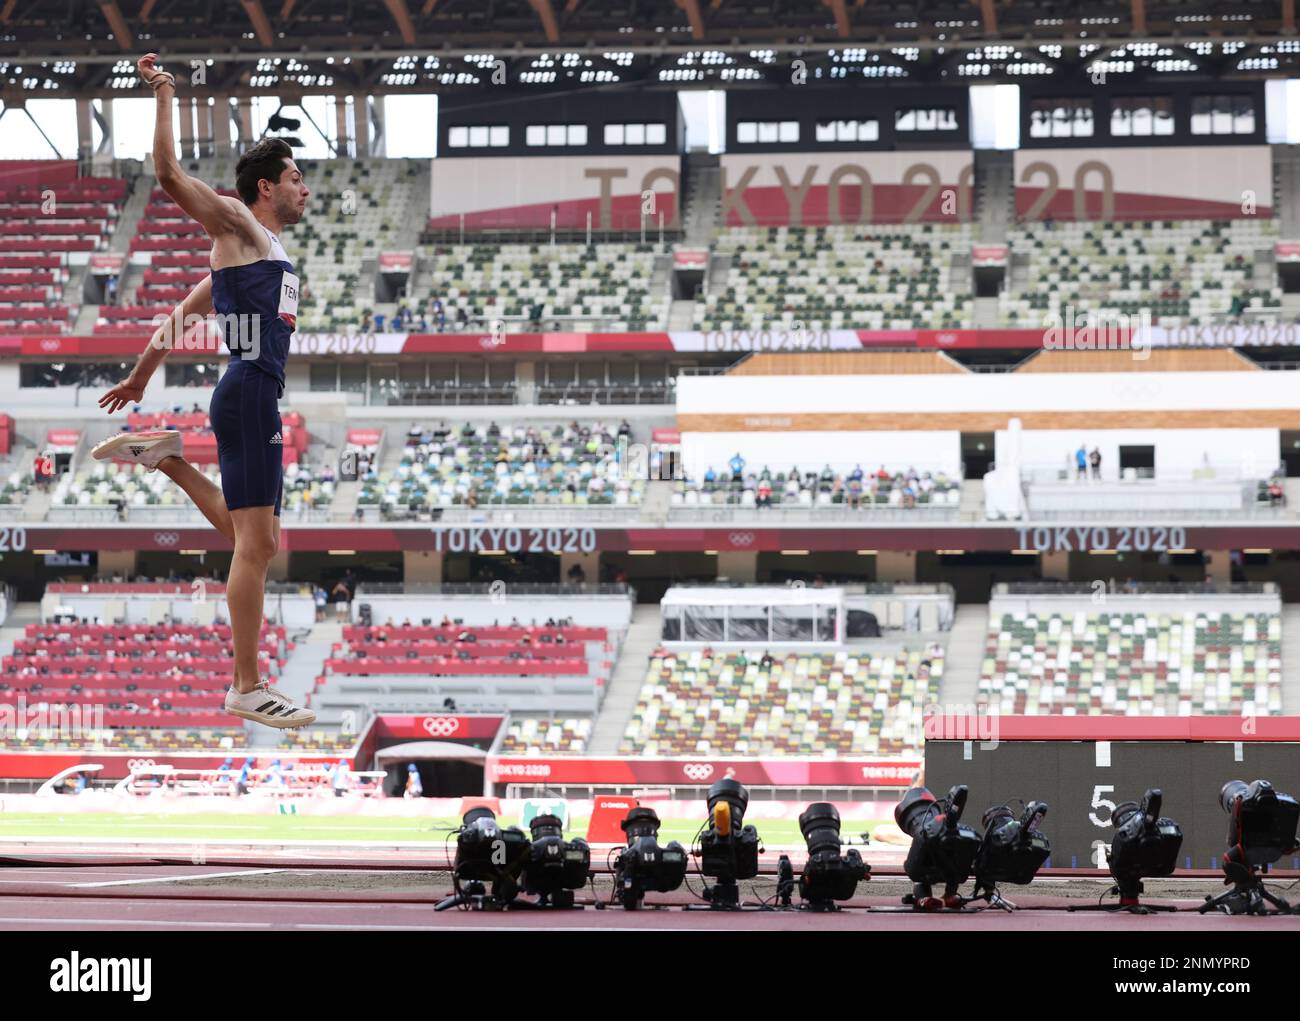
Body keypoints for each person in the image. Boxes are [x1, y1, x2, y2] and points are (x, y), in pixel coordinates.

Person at [92, 54, 313, 731]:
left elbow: (183, 315)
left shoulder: (257, 251)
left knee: (259, 538)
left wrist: (140, 374)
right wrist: (162, 94)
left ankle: (165, 456)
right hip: (249, 390)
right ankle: (246, 683)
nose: (306, 189)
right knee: (254, 547)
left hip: (249, 393)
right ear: (265, 188)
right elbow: (167, 175)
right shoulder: (239, 226)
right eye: (297, 178)